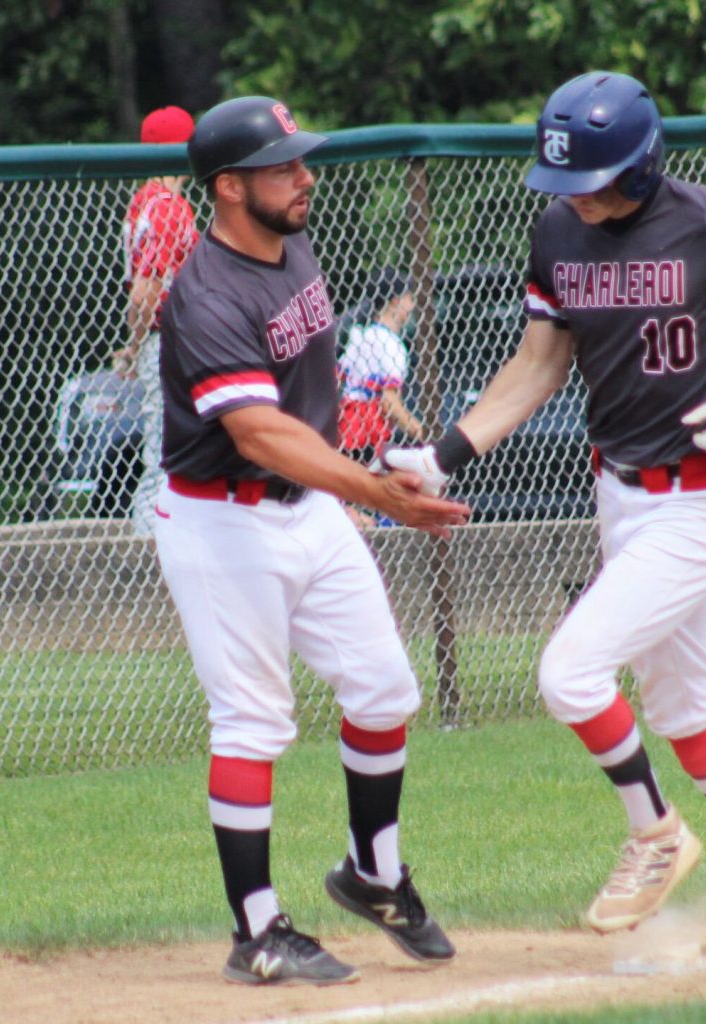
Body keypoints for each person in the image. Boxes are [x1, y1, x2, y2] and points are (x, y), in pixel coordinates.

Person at [381, 72, 706, 953]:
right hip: (624, 492)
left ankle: (656, 833)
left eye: (593, 180)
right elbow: (538, 364)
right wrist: (442, 453)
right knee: (681, 704)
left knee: (570, 675)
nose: (577, 196)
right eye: (564, 179)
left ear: (642, 165)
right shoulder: (558, 230)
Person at [153, 95, 469, 986]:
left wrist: (360, 474)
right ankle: (256, 931)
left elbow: (305, 400)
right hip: (223, 522)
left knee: (384, 688)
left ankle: (373, 874)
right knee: (253, 720)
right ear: (228, 187)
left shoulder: (292, 244)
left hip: (310, 509)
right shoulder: (205, 297)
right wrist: (370, 490)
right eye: (283, 166)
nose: (305, 177)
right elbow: (257, 432)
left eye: (302, 160)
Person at [113, 105, 199, 535]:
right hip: (170, 336)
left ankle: (165, 532)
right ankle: (152, 539)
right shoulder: (169, 206)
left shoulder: (141, 203)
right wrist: (140, 338)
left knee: (174, 439)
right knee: (168, 446)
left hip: (163, 337)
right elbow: (145, 290)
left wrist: (135, 342)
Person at [338, 267, 425, 465]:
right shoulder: (392, 345)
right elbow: (389, 401)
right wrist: (420, 432)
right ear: (395, 301)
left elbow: (340, 378)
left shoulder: (360, 336)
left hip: (346, 428)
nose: (412, 305)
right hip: (370, 432)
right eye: (409, 299)